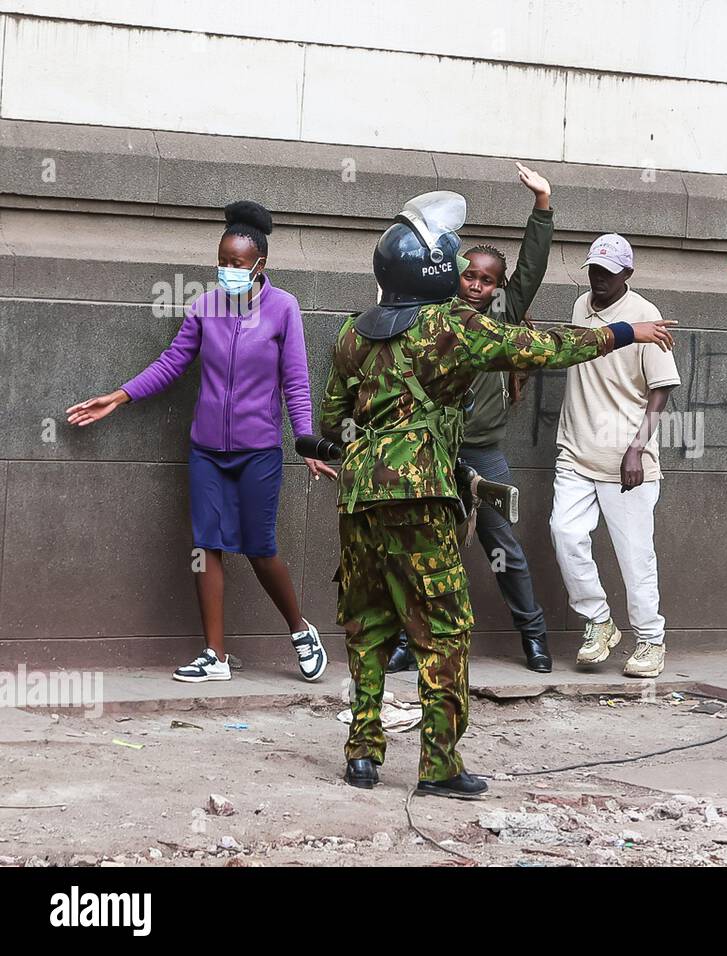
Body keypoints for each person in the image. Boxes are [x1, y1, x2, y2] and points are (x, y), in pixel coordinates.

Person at [320, 192, 675, 796]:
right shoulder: (453, 326)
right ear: (437, 271)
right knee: (445, 628)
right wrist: (625, 330)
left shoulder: (354, 331)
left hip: (358, 495)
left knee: (369, 623)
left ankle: (362, 754)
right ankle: (439, 766)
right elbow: (545, 349)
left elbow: (330, 422)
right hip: (422, 496)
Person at [67, 200, 333, 684]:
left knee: (259, 545)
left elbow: (295, 381)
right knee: (206, 544)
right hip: (207, 449)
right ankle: (215, 655)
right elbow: (172, 363)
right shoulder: (205, 306)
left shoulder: (283, 308)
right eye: (222, 261)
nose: (227, 271)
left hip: (258, 451)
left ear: (260, 265)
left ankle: (299, 629)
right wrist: (119, 396)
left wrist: (307, 442)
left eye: (237, 263)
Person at [388, 162, 556, 674]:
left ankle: (534, 638)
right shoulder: (435, 313)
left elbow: (530, 268)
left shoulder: (500, 318)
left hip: (483, 454)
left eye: (487, 280)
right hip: (434, 452)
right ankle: (405, 640)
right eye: (469, 274)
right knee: (423, 550)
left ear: (499, 289)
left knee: (505, 547)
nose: (477, 285)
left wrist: (542, 206)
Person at [549, 234, 681, 680]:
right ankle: (599, 621)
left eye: (608, 271)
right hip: (575, 449)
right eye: (593, 269)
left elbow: (661, 389)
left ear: (627, 273)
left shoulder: (646, 317)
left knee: (635, 555)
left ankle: (650, 640)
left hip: (627, 458)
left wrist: (637, 449)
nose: (598, 278)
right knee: (564, 533)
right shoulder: (579, 307)